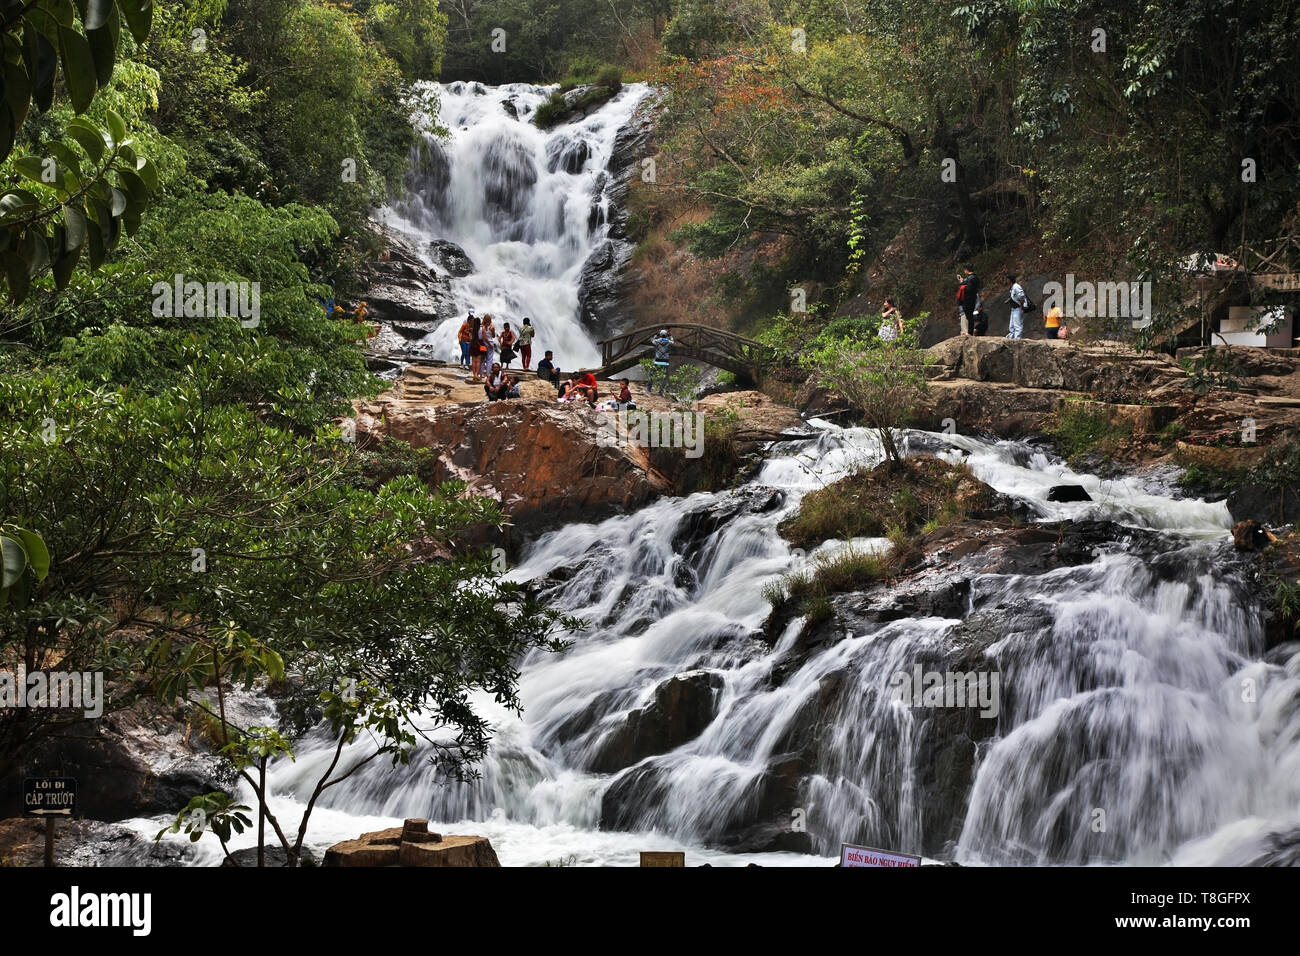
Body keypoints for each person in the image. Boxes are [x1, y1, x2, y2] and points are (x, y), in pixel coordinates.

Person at [956, 265, 981, 336]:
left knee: (969, 317)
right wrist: (962, 281)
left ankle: (970, 332)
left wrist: (962, 285)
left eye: (965, 270)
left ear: (967, 270)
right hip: (972, 299)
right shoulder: (973, 277)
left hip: (969, 299)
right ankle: (969, 332)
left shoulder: (971, 278)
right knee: (969, 316)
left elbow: (968, 289)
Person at [650, 328, 674, 396]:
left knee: (652, 374)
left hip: (657, 361)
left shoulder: (657, 341)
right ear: (666, 335)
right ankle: (660, 392)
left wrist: (656, 335)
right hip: (665, 362)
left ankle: (649, 388)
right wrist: (670, 336)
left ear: (660, 335)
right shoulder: (669, 342)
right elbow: (672, 341)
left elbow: (652, 340)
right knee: (664, 377)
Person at [1006, 273, 1028, 339]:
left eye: (1007, 279)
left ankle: (1017, 340)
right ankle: (1011, 339)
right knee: (1012, 326)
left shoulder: (1016, 286)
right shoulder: (1013, 287)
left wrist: (1022, 306)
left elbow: (1022, 297)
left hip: (1018, 308)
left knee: (1017, 326)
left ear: (1010, 280)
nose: (1006, 281)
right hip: (1014, 309)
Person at [469, 314, 484, 381]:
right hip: (480, 344)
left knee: (473, 361)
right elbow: (483, 337)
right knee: (478, 361)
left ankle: (474, 374)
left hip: (473, 344)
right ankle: (476, 375)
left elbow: (470, 338)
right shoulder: (481, 329)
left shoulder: (472, 329)